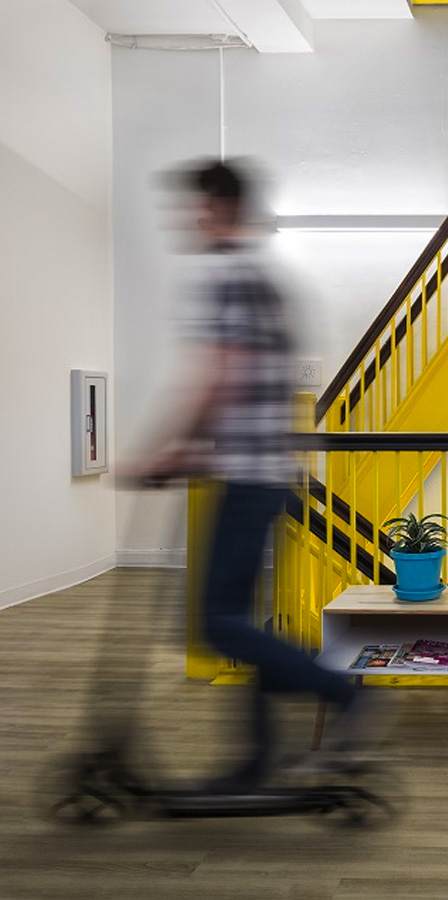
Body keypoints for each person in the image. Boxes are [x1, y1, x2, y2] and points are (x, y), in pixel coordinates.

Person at [127, 159, 357, 790]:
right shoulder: (266, 276)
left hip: (247, 476)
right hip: (265, 471)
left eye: (197, 208)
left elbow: (217, 375)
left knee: (217, 623)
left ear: (221, 208)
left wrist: (166, 450)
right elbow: (252, 382)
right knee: (244, 623)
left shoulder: (227, 274)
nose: (189, 220)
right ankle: (257, 761)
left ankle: (344, 692)